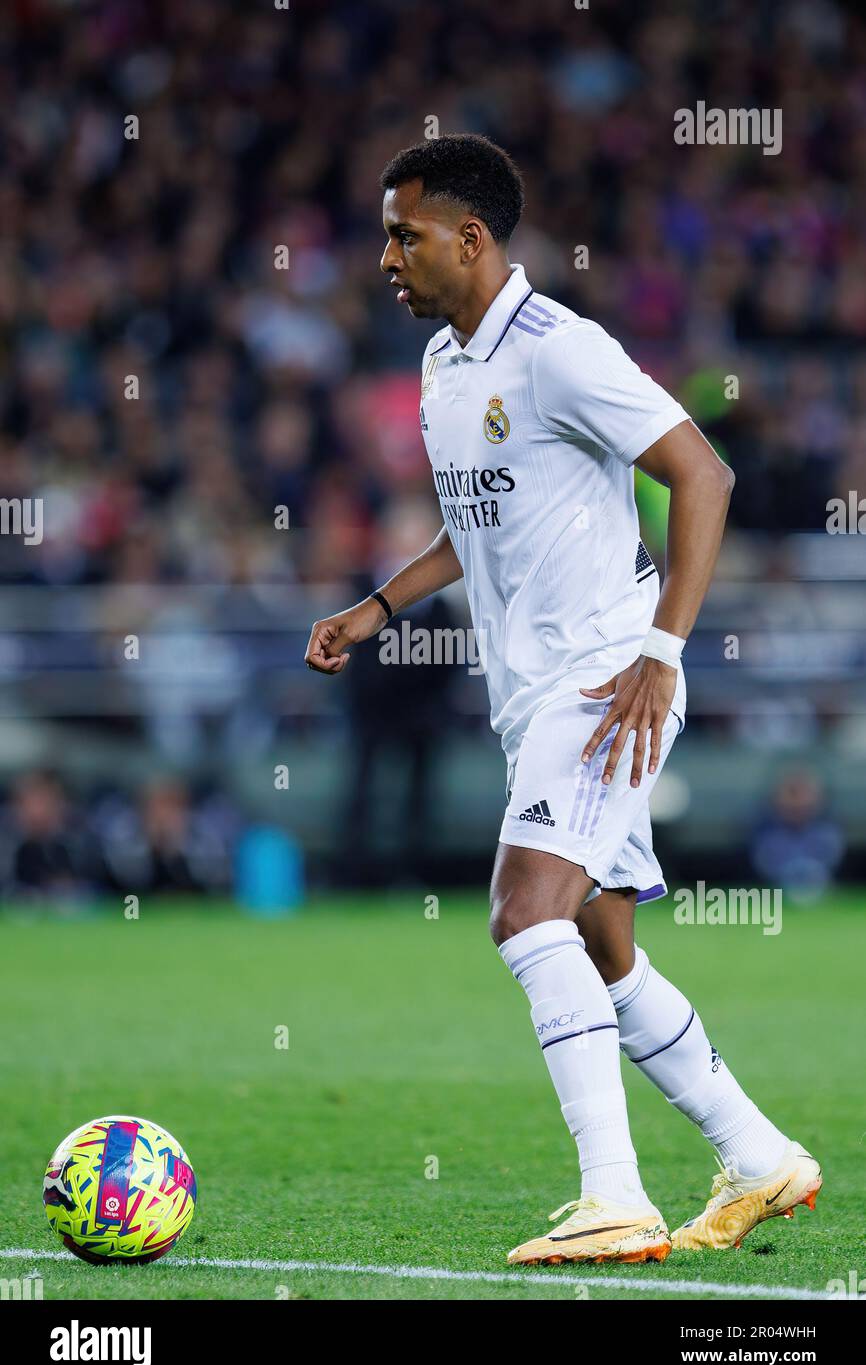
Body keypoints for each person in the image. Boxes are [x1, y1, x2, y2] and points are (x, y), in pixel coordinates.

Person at [305, 134, 821, 1265]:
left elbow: (703, 474)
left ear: (470, 238)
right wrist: (376, 608)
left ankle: (613, 1194)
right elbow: (476, 521)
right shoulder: (447, 367)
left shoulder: (560, 349)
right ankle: (758, 1153)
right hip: (532, 694)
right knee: (600, 948)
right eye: (387, 233)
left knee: (522, 906)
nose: (387, 256)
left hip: (605, 678)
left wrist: (660, 650)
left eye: (405, 234)